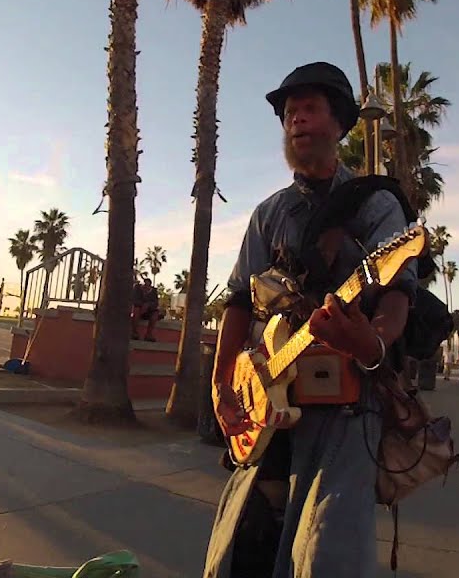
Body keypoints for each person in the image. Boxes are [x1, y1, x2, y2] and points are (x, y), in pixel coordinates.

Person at [205, 62, 414, 577]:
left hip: (345, 406)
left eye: (310, 108)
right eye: (290, 112)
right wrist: (220, 380)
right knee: (246, 547)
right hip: (267, 403)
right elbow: (238, 301)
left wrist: (374, 343)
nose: (296, 119)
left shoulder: (376, 204)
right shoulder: (267, 213)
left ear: (340, 123)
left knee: (326, 554)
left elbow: (398, 293)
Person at [132, 276, 161, 341]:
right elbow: (133, 300)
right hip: (139, 309)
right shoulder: (137, 289)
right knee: (136, 310)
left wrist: (148, 305)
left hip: (148, 311)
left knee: (155, 314)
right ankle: (134, 332)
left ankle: (149, 334)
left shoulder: (153, 291)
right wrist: (142, 305)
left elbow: (155, 303)